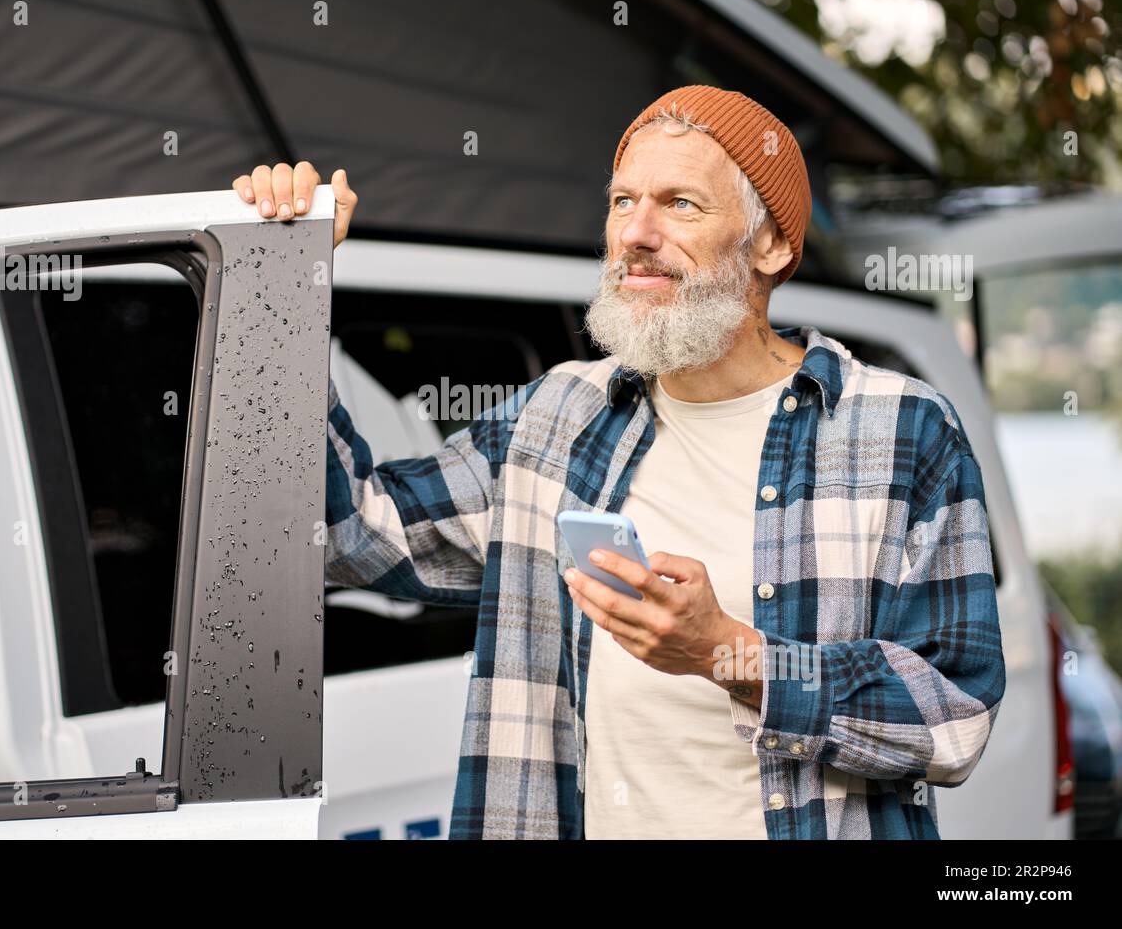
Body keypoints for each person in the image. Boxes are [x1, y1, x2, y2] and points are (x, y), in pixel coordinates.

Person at [231, 85, 1005, 840]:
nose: (635, 233)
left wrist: (728, 654)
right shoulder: (556, 416)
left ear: (770, 244)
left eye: (680, 204)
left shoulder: (900, 429)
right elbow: (351, 535)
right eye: (622, 201)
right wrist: (284, 287)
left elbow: (955, 717)